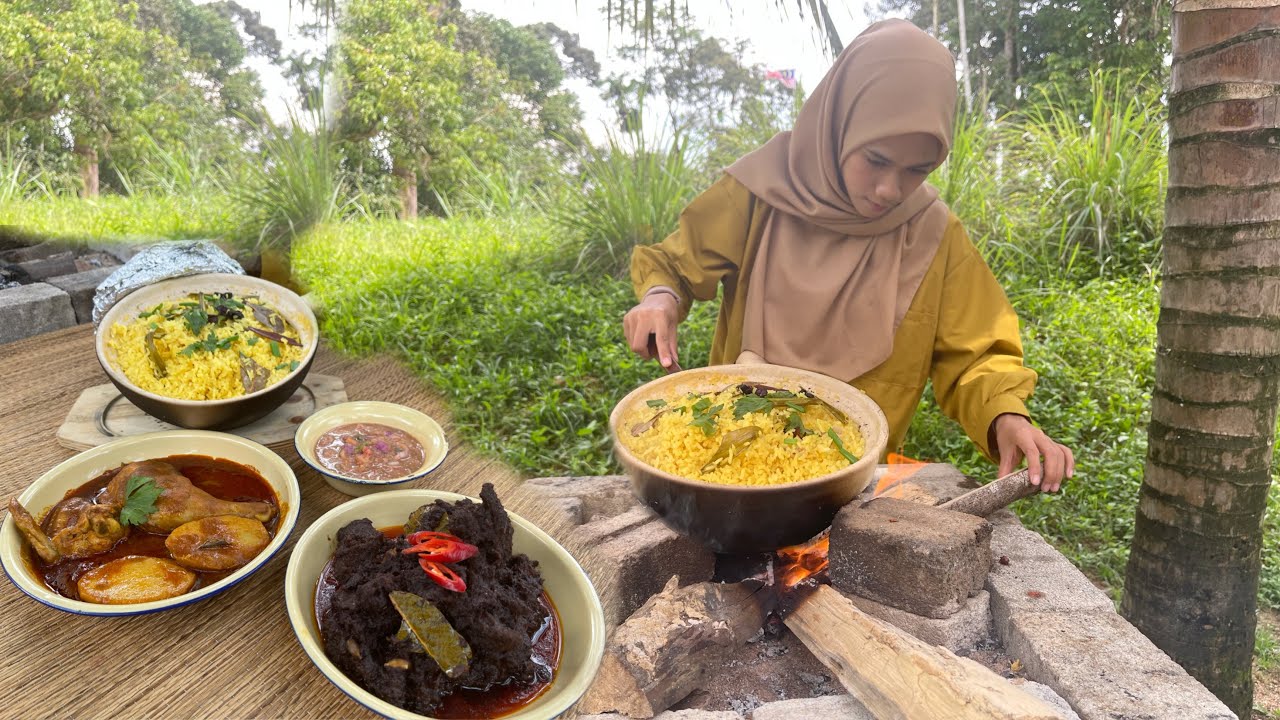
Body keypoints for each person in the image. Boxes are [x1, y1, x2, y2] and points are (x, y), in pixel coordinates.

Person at [621, 19, 1074, 491]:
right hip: (732, 466)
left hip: (850, 479)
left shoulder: (934, 234)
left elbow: (977, 352)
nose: (890, 190)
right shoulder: (759, 191)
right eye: (875, 160)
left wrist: (1006, 416)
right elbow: (675, 263)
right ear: (838, 126)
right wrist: (660, 299)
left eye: (917, 170)